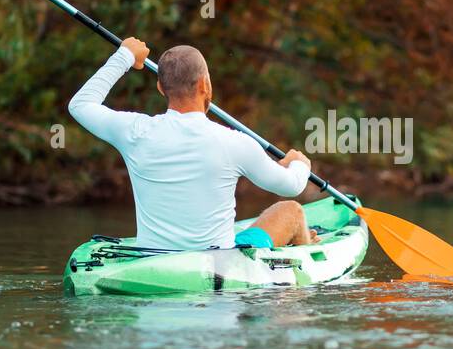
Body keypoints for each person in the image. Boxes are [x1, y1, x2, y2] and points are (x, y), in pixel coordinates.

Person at [68, 38, 318, 251]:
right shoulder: (235, 142)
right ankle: (305, 251)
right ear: (204, 85)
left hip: (153, 262)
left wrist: (124, 56)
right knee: (291, 211)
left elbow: (80, 105)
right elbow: (292, 186)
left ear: (160, 88)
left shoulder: (135, 131)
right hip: (218, 266)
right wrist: (298, 164)